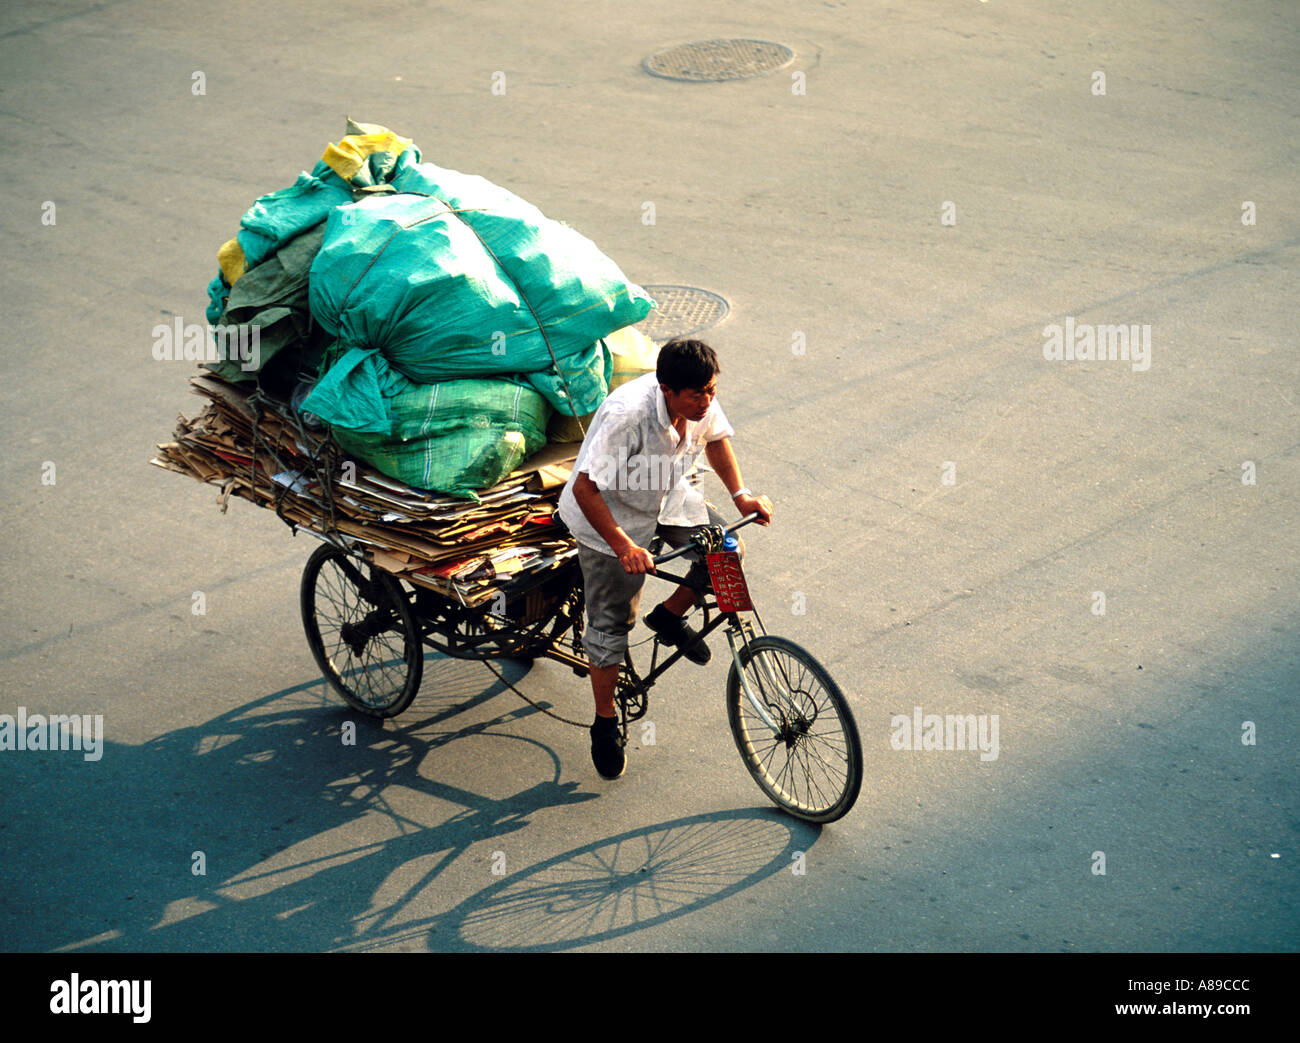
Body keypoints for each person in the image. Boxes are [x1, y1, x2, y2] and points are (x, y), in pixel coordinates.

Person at [556, 338, 774, 779]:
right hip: (609, 519)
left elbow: (715, 441)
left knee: (727, 552)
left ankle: (669, 618)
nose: (706, 401)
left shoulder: (700, 401)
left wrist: (741, 496)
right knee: (610, 625)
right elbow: (585, 488)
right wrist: (623, 546)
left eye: (711, 390)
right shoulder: (628, 417)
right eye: (696, 394)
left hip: (668, 499)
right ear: (666, 389)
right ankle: (603, 723)